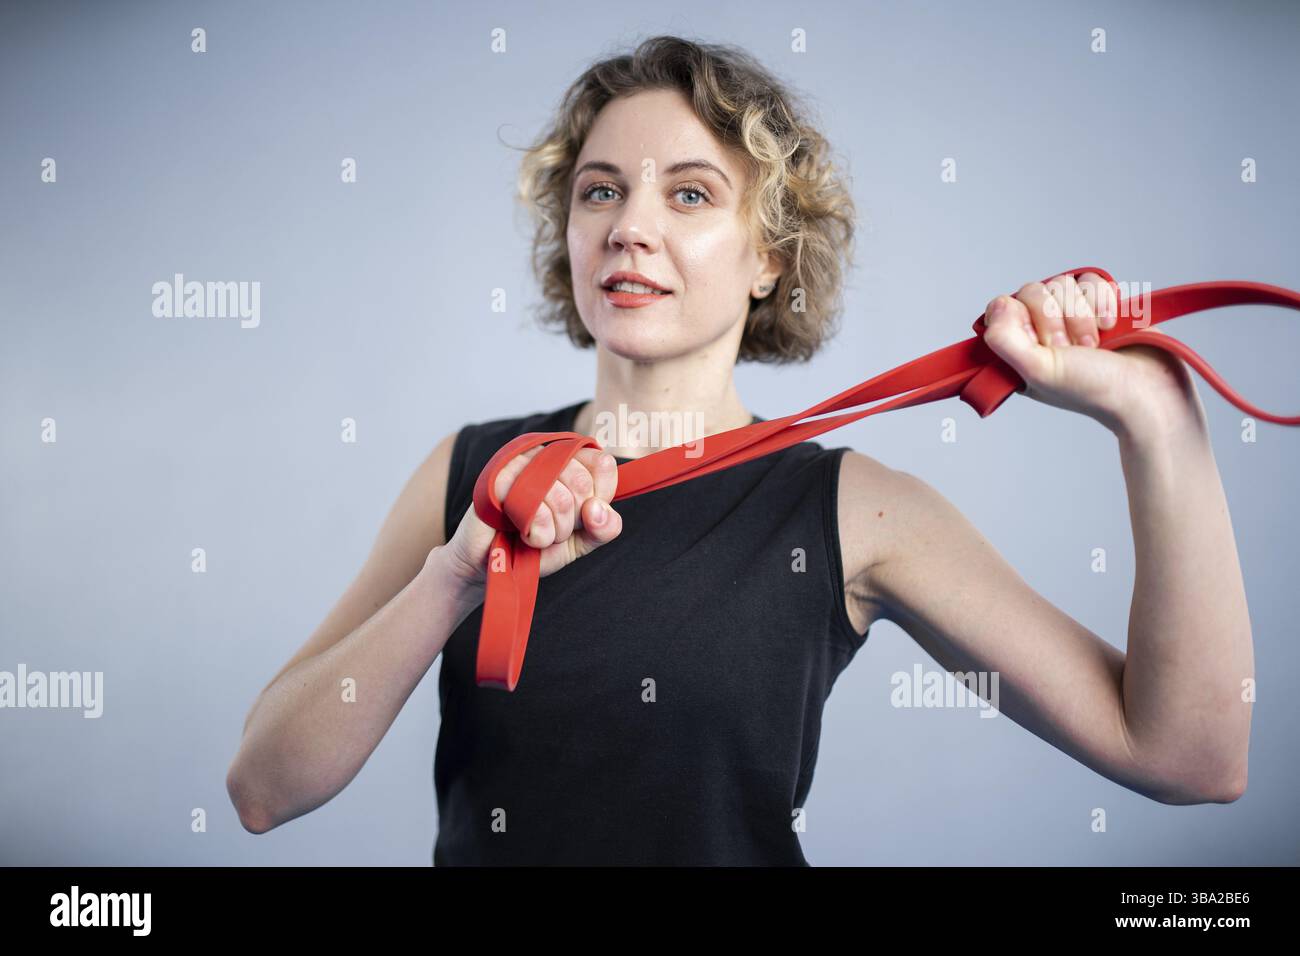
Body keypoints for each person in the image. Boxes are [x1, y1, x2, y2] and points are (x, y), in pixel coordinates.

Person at [226, 36, 1251, 865]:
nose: (628, 225)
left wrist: (1154, 420)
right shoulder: (466, 472)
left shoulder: (855, 509)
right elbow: (263, 788)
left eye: (687, 193)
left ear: (767, 255)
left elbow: (1188, 753)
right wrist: (453, 579)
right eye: (597, 190)